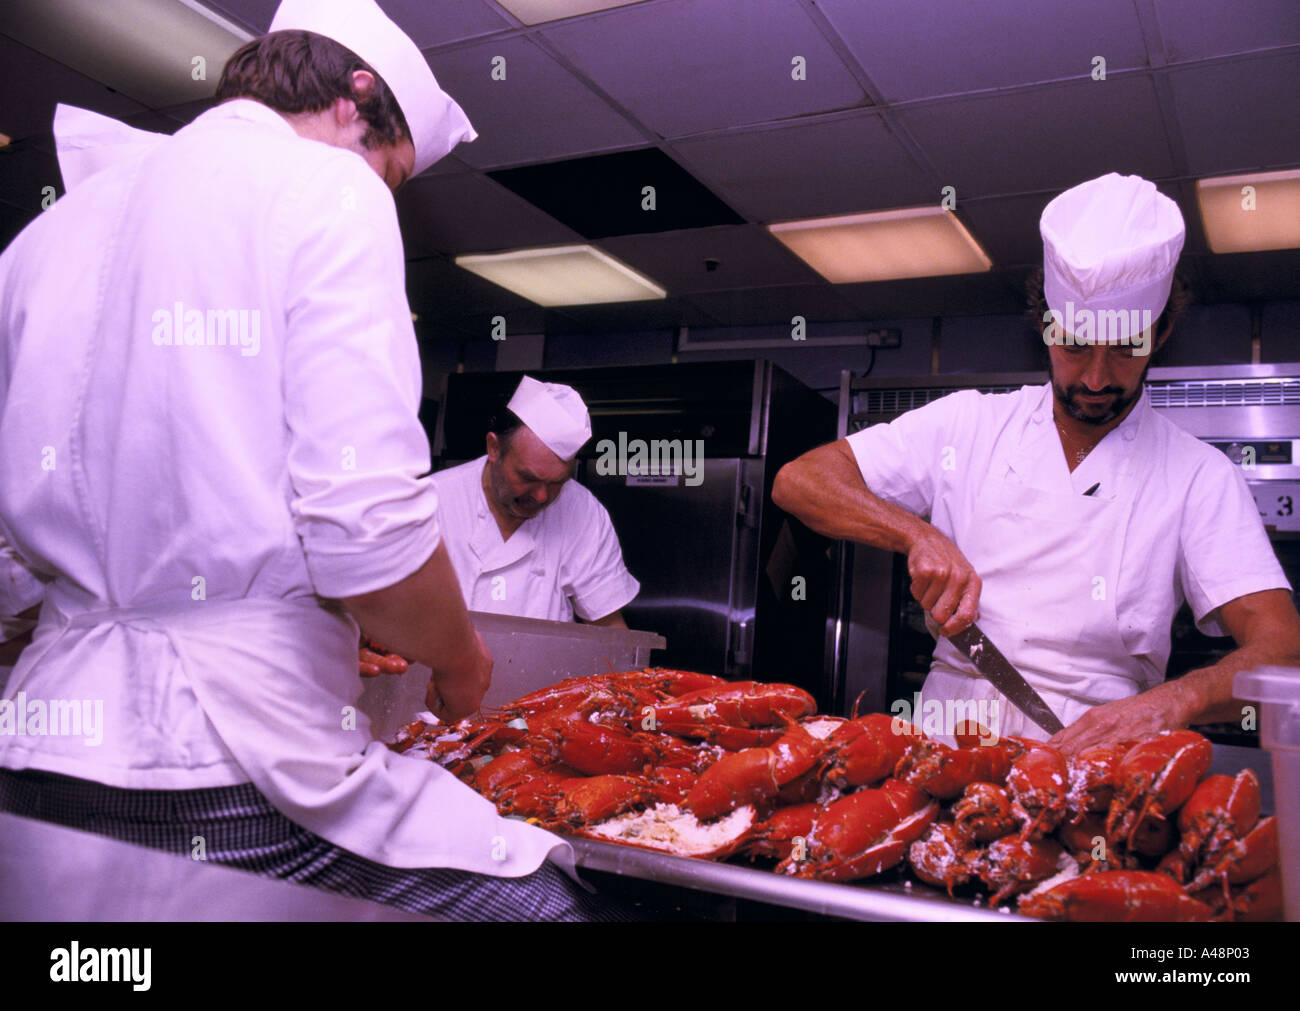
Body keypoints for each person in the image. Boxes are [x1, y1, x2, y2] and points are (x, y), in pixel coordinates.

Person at [0, 0, 631, 921]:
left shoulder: (43, 239)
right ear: (357, 96)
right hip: (225, 762)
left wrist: (303, 608)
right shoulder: (326, 189)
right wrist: (458, 663)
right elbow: (368, 526)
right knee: (557, 907)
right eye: (393, 167)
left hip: (42, 754)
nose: (385, 189)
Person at [773, 172, 1300, 753]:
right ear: (1046, 326)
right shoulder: (968, 424)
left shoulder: (1199, 476)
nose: (1098, 378)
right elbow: (800, 481)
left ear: (1162, 331)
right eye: (1075, 345)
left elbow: (1283, 649)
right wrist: (914, 533)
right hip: (944, 748)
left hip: (1092, 760)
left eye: (1127, 348)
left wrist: (1173, 701)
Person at [432, 376, 640, 626]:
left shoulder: (582, 511)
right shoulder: (433, 502)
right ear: (494, 448)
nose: (541, 496)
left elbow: (609, 626)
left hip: (547, 665)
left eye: (557, 483)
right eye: (528, 477)